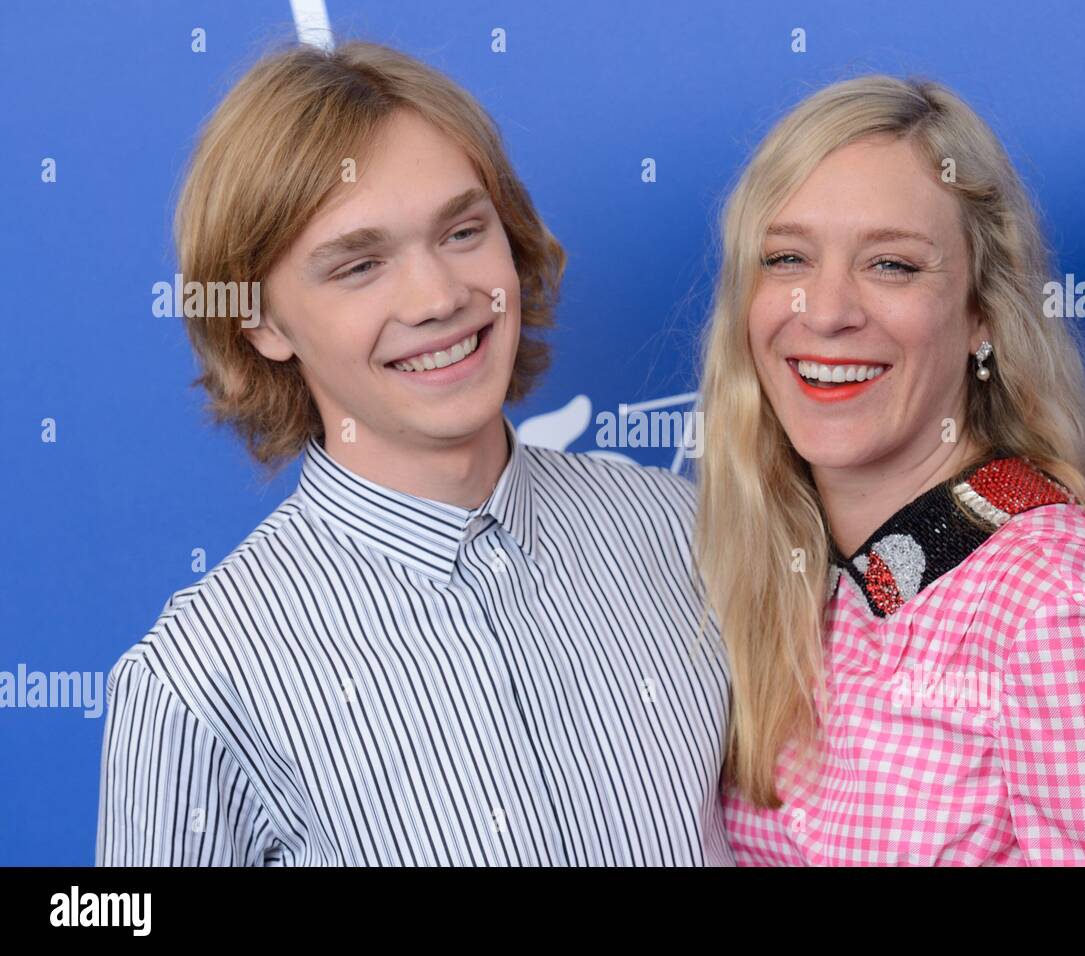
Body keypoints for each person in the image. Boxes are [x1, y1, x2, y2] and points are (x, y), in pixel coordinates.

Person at [96, 40, 732, 866]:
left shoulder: (683, 532)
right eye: (360, 266)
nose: (438, 298)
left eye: (463, 231)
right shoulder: (198, 681)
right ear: (262, 323)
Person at [694, 75, 1085, 865]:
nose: (827, 310)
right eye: (788, 257)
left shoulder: (1053, 603)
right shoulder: (775, 567)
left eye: (892, 265)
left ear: (982, 315)